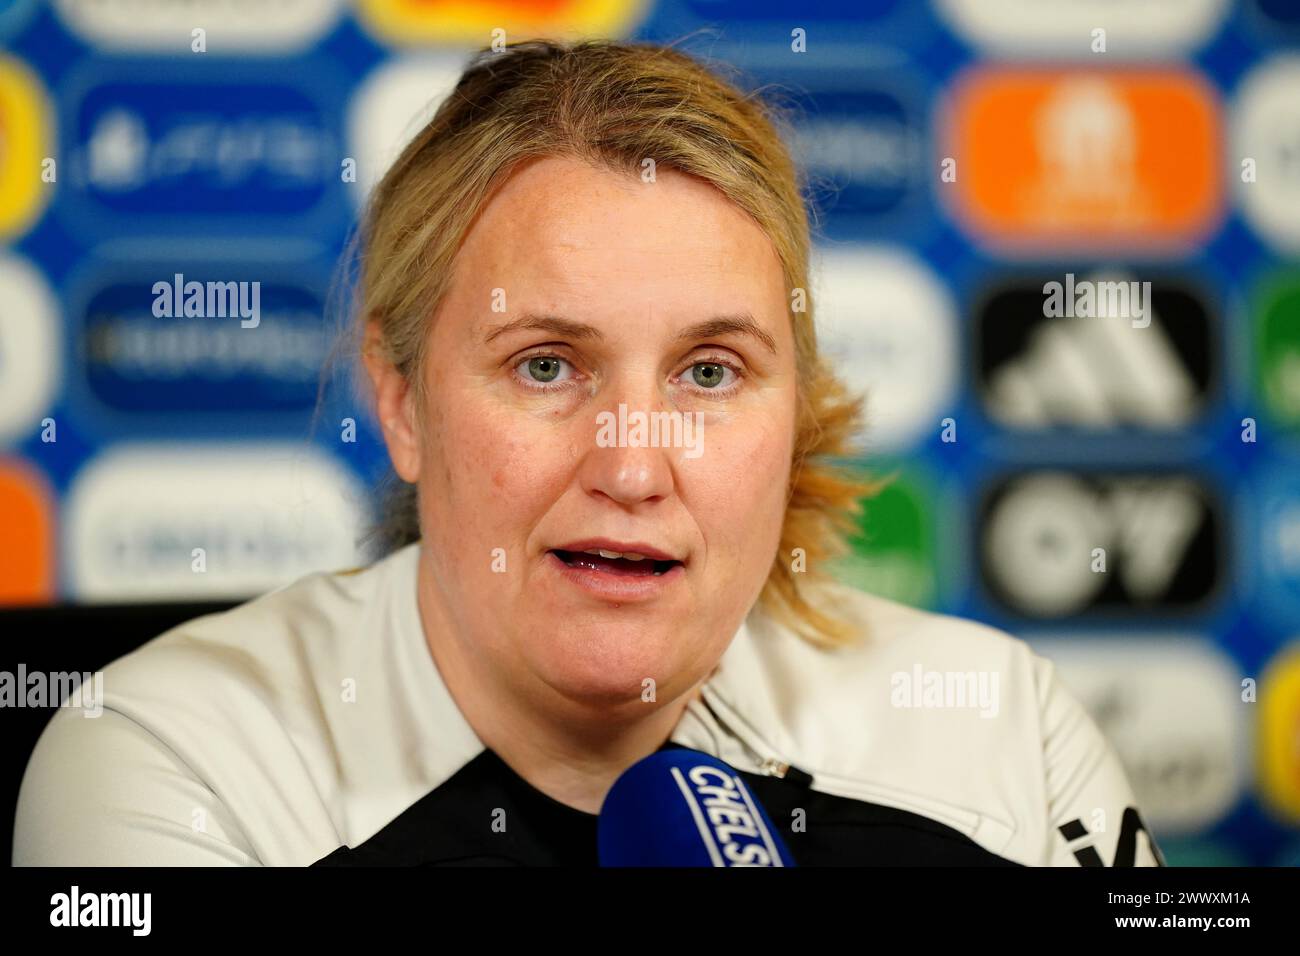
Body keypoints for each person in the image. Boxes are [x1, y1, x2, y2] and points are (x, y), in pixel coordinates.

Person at [13, 38, 1162, 866]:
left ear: (795, 408)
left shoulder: (1003, 730)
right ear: (402, 400)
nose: (632, 464)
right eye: (547, 365)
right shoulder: (177, 766)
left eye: (709, 373)